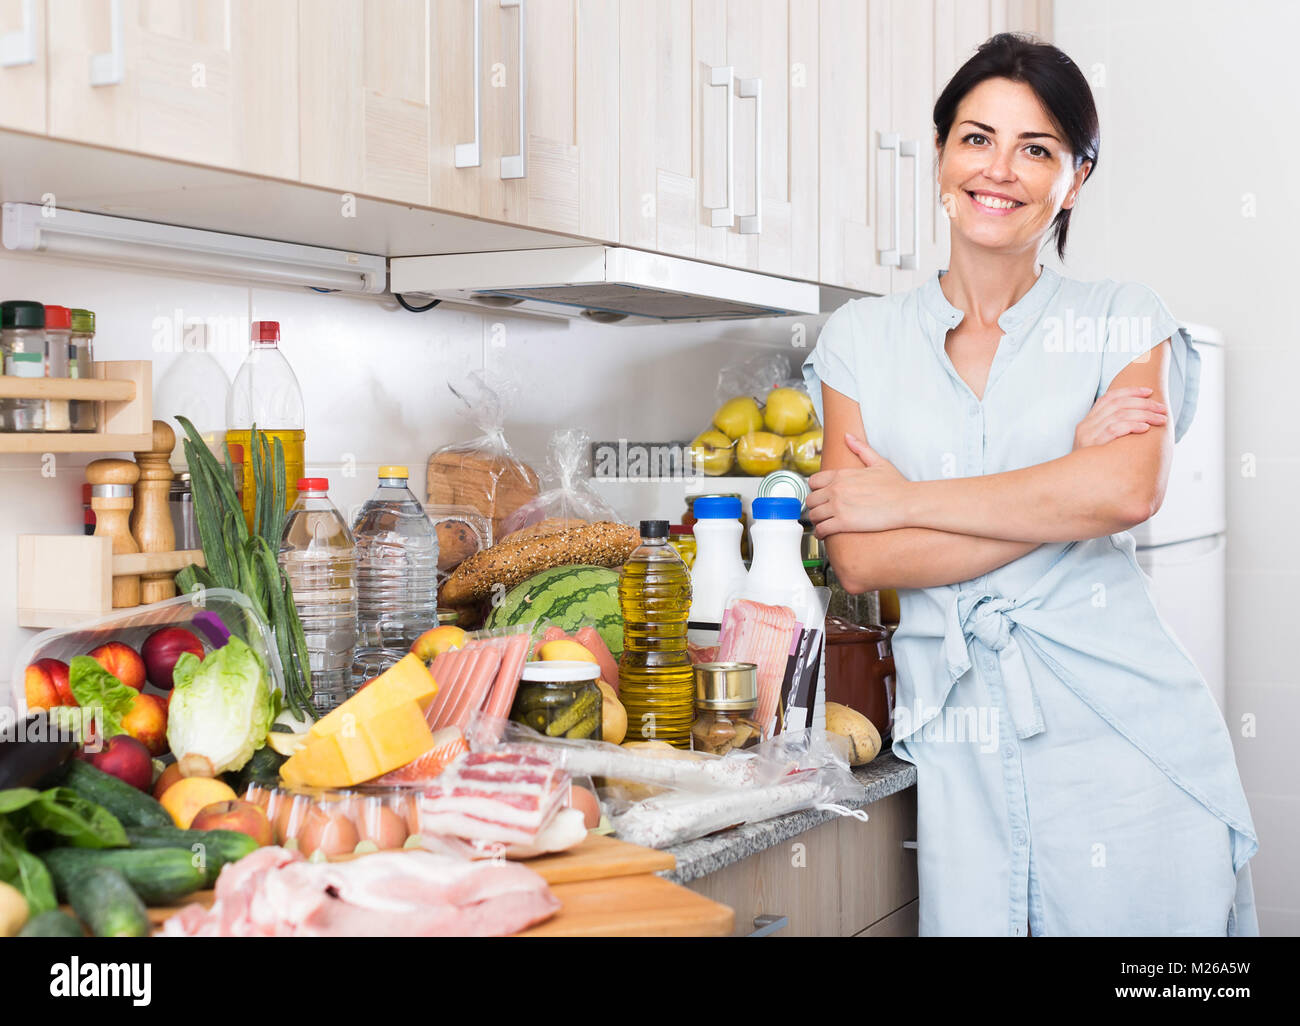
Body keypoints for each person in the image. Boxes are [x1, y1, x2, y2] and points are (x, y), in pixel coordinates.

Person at [802, 32, 1258, 936]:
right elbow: (859, 559)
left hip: (1126, 744)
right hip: (962, 755)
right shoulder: (860, 340)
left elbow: (1126, 493)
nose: (999, 170)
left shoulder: (1124, 318)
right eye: (977, 138)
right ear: (939, 154)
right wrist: (1061, 483)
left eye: (1037, 148)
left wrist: (903, 498)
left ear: (1075, 177)